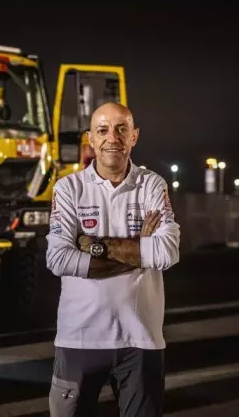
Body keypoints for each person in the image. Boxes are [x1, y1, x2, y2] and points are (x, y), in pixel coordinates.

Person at [46, 102, 180, 417]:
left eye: (122, 129)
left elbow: (167, 252)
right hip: (78, 338)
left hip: (141, 339)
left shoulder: (152, 184)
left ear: (134, 136)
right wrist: (139, 250)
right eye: (103, 130)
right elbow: (58, 258)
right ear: (90, 139)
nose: (112, 138)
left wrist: (93, 245)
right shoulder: (69, 189)